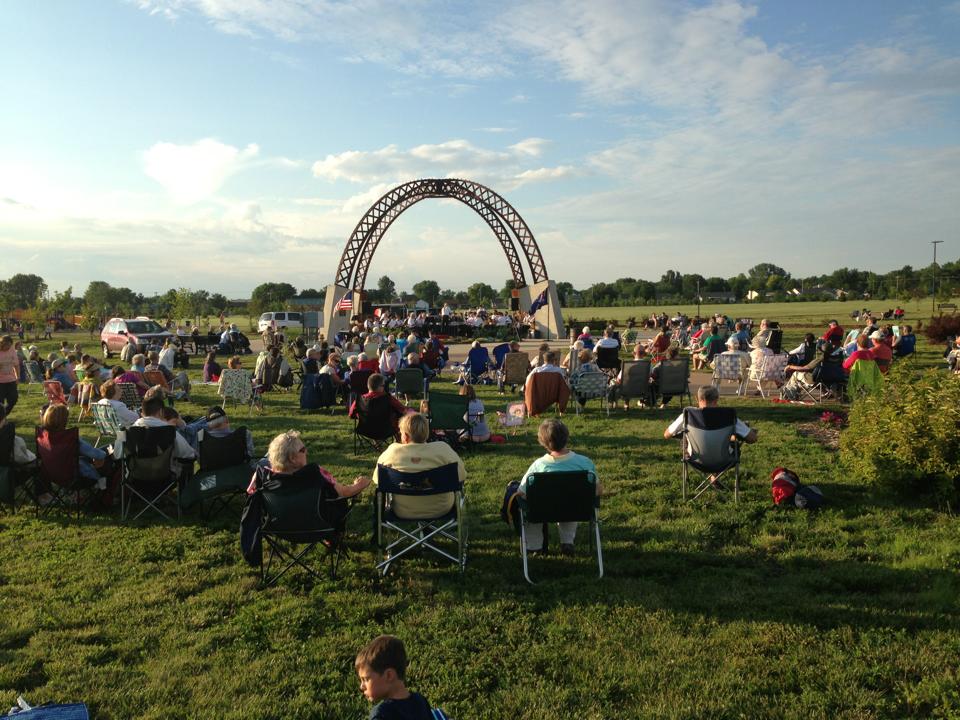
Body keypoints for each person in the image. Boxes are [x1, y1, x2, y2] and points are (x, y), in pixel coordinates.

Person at [518, 419, 600, 556]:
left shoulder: (538, 466)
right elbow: (598, 490)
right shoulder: (585, 463)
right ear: (567, 437)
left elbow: (521, 492)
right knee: (571, 500)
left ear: (542, 442)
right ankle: (567, 542)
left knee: (529, 506)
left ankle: (534, 547)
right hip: (577, 509)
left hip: (542, 511)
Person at [365, 413, 464, 519]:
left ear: (406, 437)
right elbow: (461, 476)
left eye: (401, 433)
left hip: (403, 511)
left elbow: (378, 479)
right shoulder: (443, 449)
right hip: (441, 509)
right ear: (426, 433)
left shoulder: (392, 452)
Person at [663, 385, 758, 485]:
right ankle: (714, 477)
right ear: (717, 399)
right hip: (724, 461)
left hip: (695, 460)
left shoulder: (687, 415)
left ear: (697, 398)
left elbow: (666, 434)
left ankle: (708, 477)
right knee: (731, 444)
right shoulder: (728, 416)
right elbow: (752, 438)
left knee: (685, 441)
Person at [258, 429, 370, 498]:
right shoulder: (314, 474)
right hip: (317, 525)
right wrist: (361, 484)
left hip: (281, 527)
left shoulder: (267, 479)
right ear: (293, 459)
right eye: (302, 450)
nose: (306, 452)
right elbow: (344, 492)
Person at [355, 635, 434, 720]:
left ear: (389, 675)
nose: (361, 686)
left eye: (366, 679)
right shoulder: (420, 701)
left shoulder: (381, 714)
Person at [0, 335, 20, 415]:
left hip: (11, 379)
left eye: (9, 345)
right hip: (0, 381)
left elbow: (16, 365)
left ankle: (3, 415)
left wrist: (17, 377)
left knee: (13, 399)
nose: (8, 347)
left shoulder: (12, 350)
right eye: (6, 345)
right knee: (0, 402)